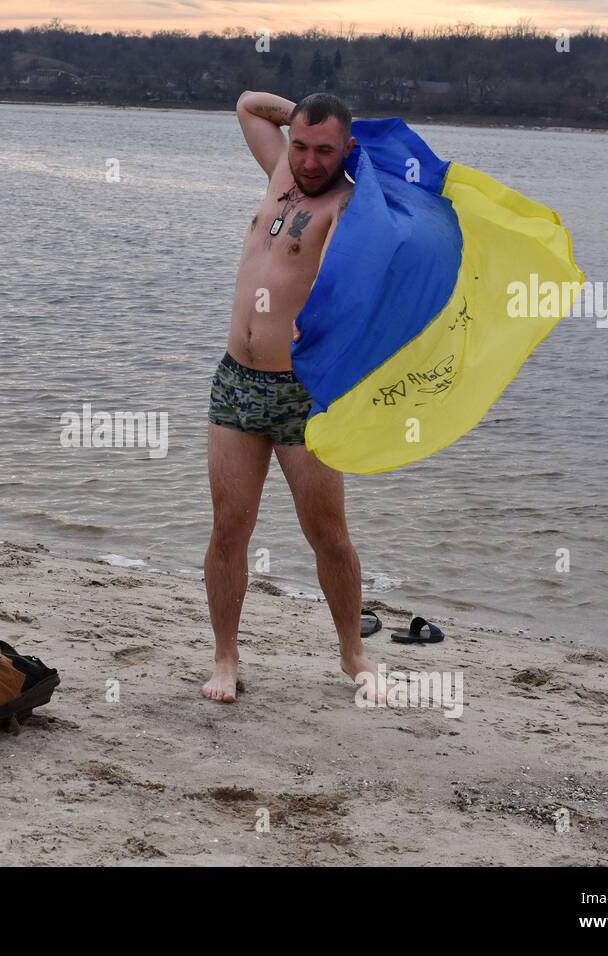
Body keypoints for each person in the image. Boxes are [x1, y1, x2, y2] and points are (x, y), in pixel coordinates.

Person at [202, 90, 380, 705]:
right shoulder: (280, 171)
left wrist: (370, 143)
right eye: (300, 144)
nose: (307, 160)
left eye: (324, 150)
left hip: (299, 391)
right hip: (236, 380)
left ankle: (353, 653)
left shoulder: (350, 204)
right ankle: (225, 658)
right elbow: (249, 105)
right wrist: (304, 113)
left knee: (328, 535)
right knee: (230, 527)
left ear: (347, 150)